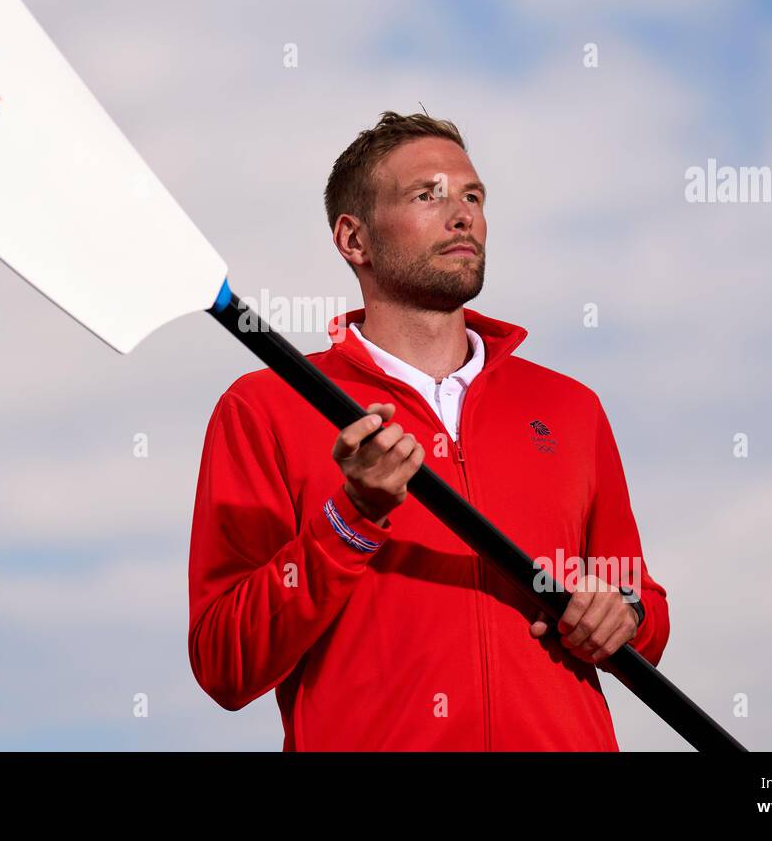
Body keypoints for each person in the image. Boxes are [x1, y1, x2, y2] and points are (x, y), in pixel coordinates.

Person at [187, 110, 669, 750]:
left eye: (472, 196)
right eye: (428, 196)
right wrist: (350, 519)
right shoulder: (266, 406)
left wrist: (624, 613)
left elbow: (644, 608)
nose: (463, 214)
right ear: (353, 240)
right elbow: (226, 663)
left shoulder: (569, 405)